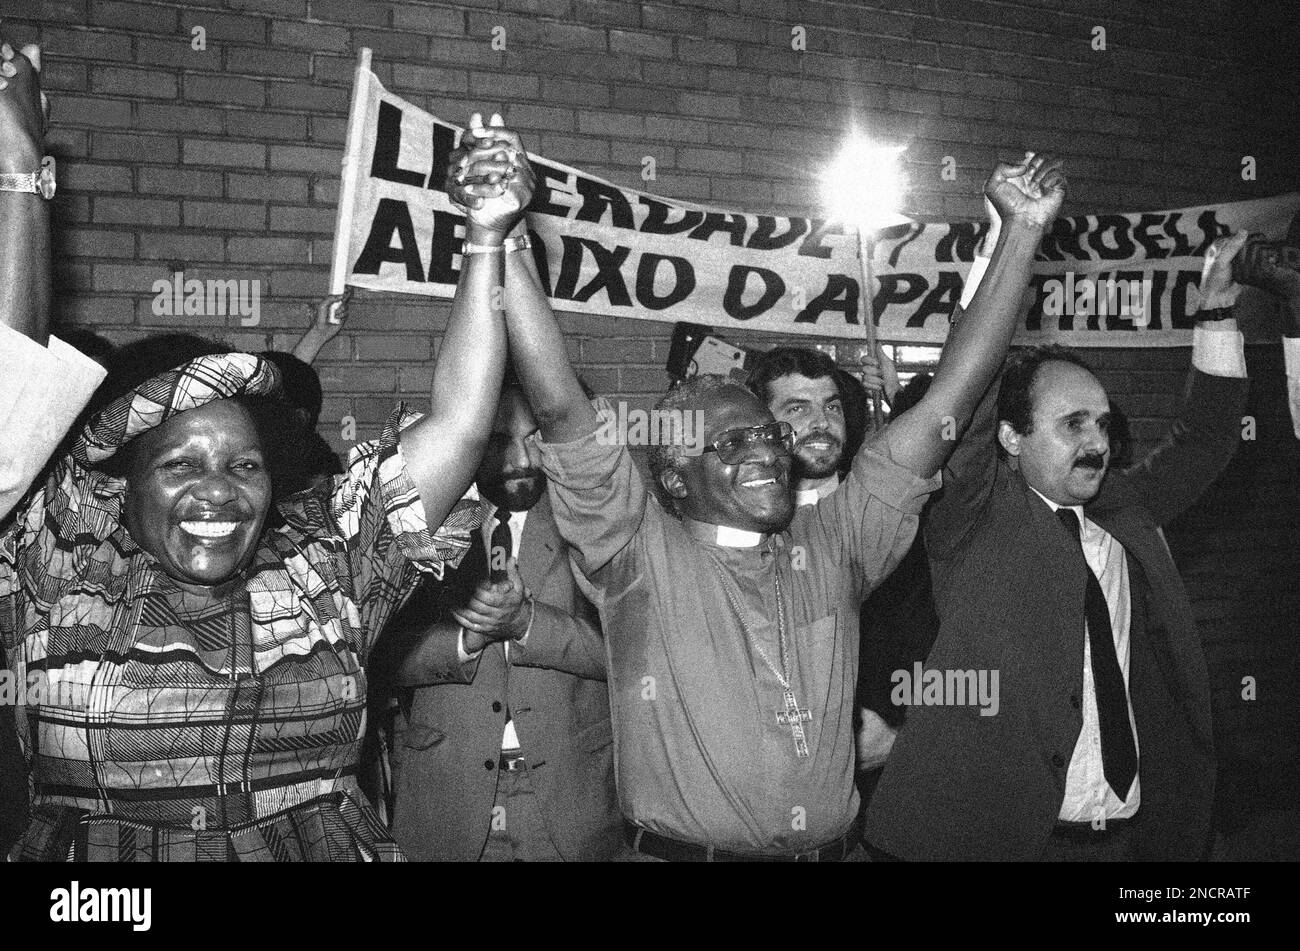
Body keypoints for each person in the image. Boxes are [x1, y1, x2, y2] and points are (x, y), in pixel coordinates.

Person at [450, 116, 1066, 859]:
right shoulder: (636, 554)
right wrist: (502, 236)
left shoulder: (835, 540)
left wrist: (1021, 235)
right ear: (674, 473)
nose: (767, 451)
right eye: (733, 441)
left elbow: (949, 401)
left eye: (769, 436)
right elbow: (559, 405)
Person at [0, 52, 511, 858]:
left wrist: (486, 236)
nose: (219, 491)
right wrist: (22, 177)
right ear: (117, 486)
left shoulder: (324, 568)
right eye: (179, 464)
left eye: (244, 465)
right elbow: (13, 394)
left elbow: (461, 425)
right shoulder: (58, 566)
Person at [863, 231, 1256, 861]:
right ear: (1012, 438)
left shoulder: (1126, 510)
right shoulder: (970, 516)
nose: (1097, 443)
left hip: (1122, 841)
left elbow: (1207, 440)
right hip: (1001, 843)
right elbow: (966, 396)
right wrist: (1009, 239)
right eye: (1072, 425)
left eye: (1102, 422)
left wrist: (1214, 308)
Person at [371, 374, 621, 861]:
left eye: (536, 439)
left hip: (573, 803)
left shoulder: (598, 523)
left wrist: (528, 624)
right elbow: (376, 656)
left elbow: (632, 653)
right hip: (448, 804)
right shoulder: (417, 527)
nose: (521, 461)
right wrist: (465, 637)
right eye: (498, 441)